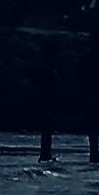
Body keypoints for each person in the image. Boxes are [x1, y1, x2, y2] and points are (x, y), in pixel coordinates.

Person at [77, 30, 99, 168]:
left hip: (93, 95)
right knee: (94, 127)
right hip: (94, 95)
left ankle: (94, 153)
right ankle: (94, 154)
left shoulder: (89, 58)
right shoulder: (94, 59)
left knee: (95, 127)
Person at [31, 29, 66, 166]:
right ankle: (45, 154)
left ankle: (45, 153)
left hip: (43, 102)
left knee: (47, 130)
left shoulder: (44, 68)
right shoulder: (48, 70)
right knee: (47, 130)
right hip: (46, 102)